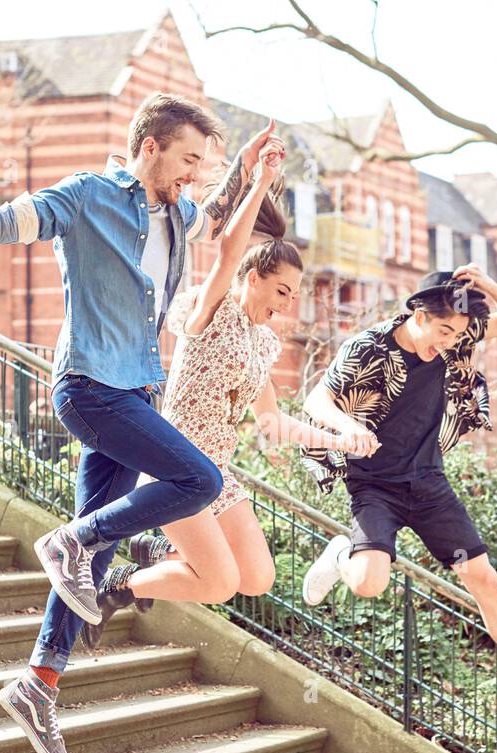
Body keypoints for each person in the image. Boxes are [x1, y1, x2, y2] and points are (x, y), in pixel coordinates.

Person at [0, 92, 285, 753]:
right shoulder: (84, 195)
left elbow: (219, 225)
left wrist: (249, 176)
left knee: (93, 562)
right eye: (187, 158)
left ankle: (38, 683)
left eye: (203, 162)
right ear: (150, 147)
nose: (194, 172)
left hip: (133, 390)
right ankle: (68, 541)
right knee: (199, 479)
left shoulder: (176, 211)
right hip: (89, 388)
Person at [84, 135, 375, 633]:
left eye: (294, 296)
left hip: (217, 471)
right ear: (252, 277)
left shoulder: (265, 344)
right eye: (281, 290)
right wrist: (260, 180)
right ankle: (121, 584)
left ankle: (156, 551)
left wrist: (338, 441)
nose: (286, 304)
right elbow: (226, 253)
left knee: (258, 578)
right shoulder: (210, 312)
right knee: (217, 583)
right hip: (174, 466)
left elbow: (271, 421)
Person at [299, 268, 497, 720]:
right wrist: (350, 428)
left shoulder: (458, 340)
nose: (450, 342)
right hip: (374, 484)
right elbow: (316, 401)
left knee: (483, 578)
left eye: (458, 333)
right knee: (370, 583)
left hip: (429, 481)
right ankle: (341, 556)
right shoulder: (369, 347)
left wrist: (487, 286)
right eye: (443, 330)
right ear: (418, 313)